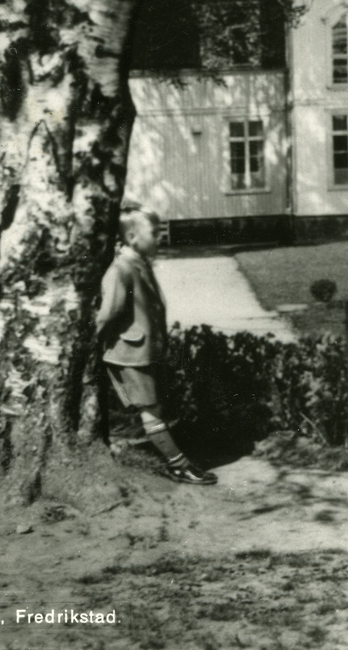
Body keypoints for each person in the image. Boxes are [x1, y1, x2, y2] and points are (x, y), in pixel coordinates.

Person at [96, 206, 217, 485]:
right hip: (131, 354)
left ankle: (171, 457)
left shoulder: (138, 262)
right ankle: (178, 465)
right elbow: (110, 311)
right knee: (149, 409)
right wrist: (92, 337)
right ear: (132, 236)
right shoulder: (121, 268)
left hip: (145, 350)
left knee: (155, 407)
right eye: (155, 232)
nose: (160, 238)